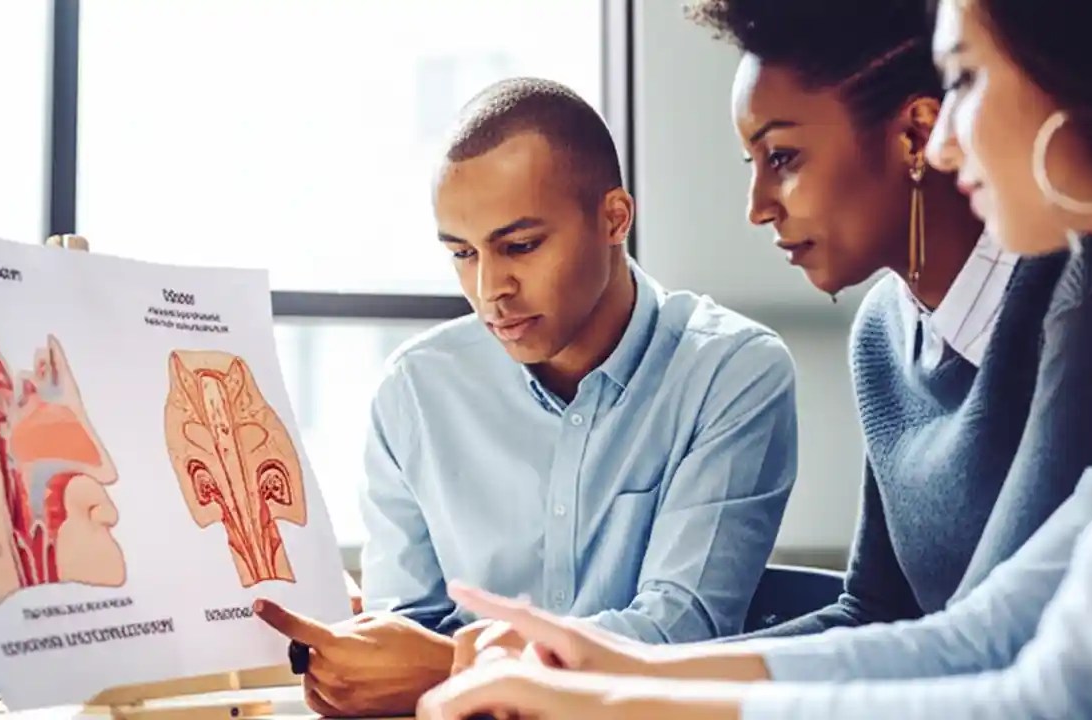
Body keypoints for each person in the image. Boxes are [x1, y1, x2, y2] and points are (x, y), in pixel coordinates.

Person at [415, 0, 1092, 717]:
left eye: (964, 78)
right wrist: (619, 671)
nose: (948, 133)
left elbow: (1053, 690)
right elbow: (977, 631)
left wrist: (627, 699)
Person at [245, 77, 799, 716]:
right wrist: (359, 660)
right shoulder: (415, 391)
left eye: (520, 246)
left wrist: (452, 663)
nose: (489, 289)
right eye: (461, 253)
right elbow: (404, 633)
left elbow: (679, 634)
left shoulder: (732, 373)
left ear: (614, 218)